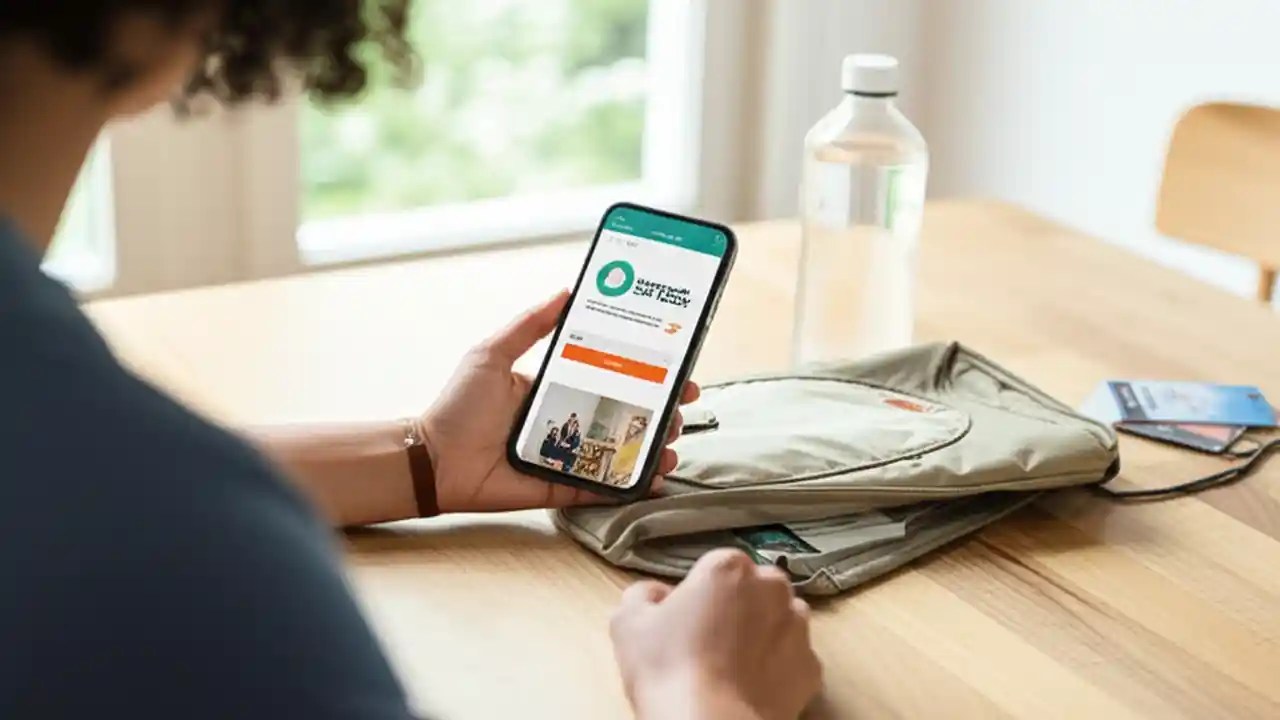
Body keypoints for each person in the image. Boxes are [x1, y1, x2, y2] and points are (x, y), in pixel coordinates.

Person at [0, 3, 822, 719]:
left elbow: (79, 476)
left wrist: (424, 458)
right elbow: (129, 504)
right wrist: (704, 690)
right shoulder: (192, 570)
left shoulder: (82, 454)